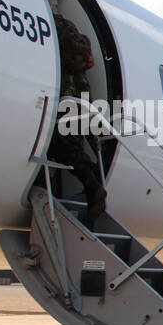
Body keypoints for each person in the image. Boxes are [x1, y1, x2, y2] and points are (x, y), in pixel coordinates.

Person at [47, 14, 107, 220]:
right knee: (77, 145)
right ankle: (95, 180)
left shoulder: (51, 24)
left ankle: (92, 185)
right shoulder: (69, 28)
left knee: (62, 148)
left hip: (65, 97)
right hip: (81, 98)